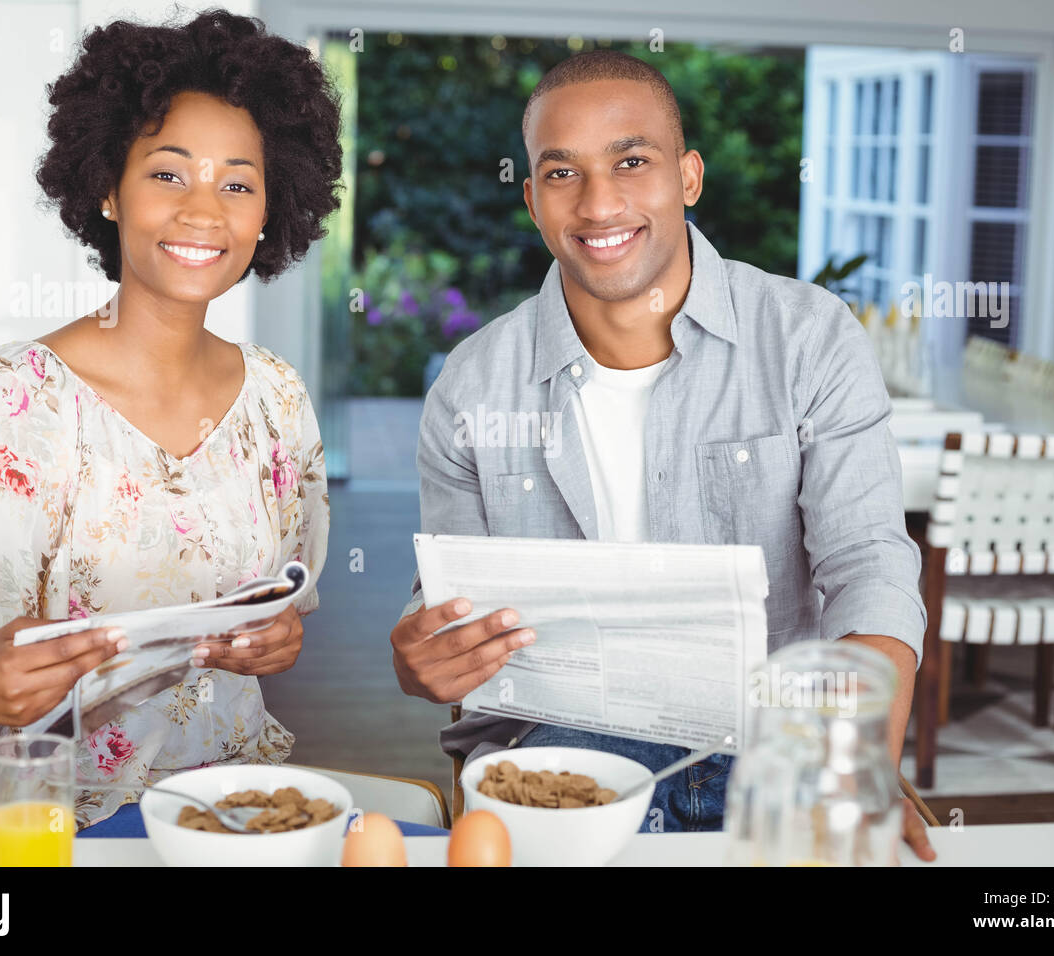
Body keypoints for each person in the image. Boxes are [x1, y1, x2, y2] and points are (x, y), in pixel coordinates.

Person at [390, 50, 936, 860]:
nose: (599, 201)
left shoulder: (808, 338)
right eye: (562, 173)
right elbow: (443, 611)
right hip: (551, 771)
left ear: (688, 176)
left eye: (632, 161)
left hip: (771, 760)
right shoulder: (471, 387)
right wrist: (422, 654)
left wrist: (853, 763)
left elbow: (869, 566)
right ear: (533, 198)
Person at [0, 9, 341, 836]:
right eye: (169, 175)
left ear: (271, 210)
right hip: (74, 821)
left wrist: (275, 643)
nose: (204, 211)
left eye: (238, 183)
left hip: (248, 808)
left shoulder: (278, 399)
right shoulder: (17, 398)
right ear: (106, 186)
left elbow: (281, 614)